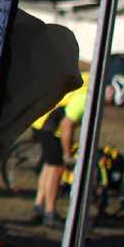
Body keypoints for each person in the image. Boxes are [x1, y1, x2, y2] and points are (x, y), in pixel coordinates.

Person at [30, 74, 88, 230]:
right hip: (51, 127)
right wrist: (67, 154)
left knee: (49, 167)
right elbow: (67, 125)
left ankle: (39, 206)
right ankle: (50, 212)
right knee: (56, 169)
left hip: (42, 121)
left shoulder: (86, 80)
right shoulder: (85, 97)